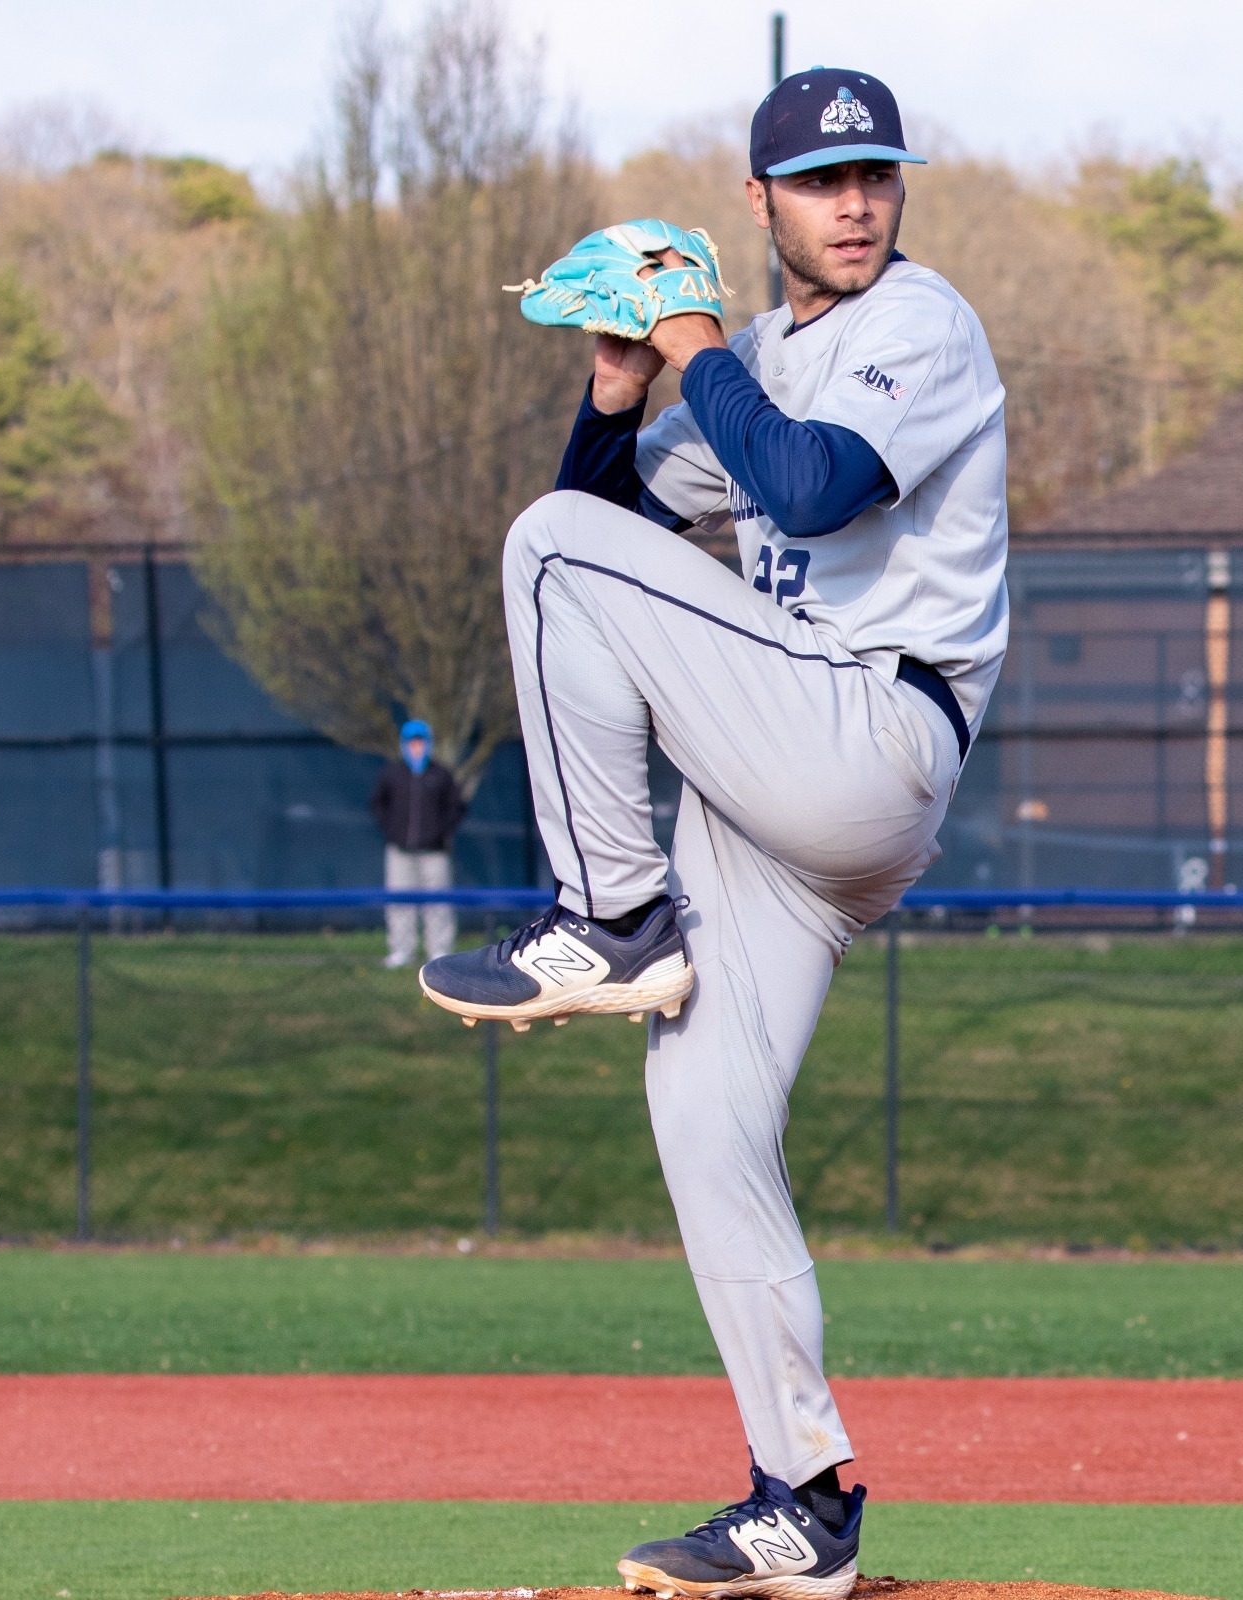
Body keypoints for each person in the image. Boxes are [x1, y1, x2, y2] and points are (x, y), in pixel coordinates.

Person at [420, 67, 1007, 1600]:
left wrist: (690, 344)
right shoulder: (753, 359)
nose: (856, 204)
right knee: (703, 1120)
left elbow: (807, 491)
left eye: (875, 175)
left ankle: (611, 915)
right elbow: (605, 524)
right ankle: (800, 1500)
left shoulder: (921, 325)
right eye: (821, 182)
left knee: (545, 553)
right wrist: (619, 386)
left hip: (873, 730)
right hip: (777, 783)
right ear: (762, 203)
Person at [369, 718, 464, 969]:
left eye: (420, 742)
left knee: (438, 902)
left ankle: (440, 950)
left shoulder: (441, 775)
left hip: (435, 852)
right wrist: (392, 832)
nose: (416, 747)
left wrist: (440, 833)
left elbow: (456, 808)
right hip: (400, 852)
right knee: (400, 902)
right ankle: (402, 950)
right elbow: (378, 805)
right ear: (404, 744)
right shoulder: (392, 774)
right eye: (412, 742)